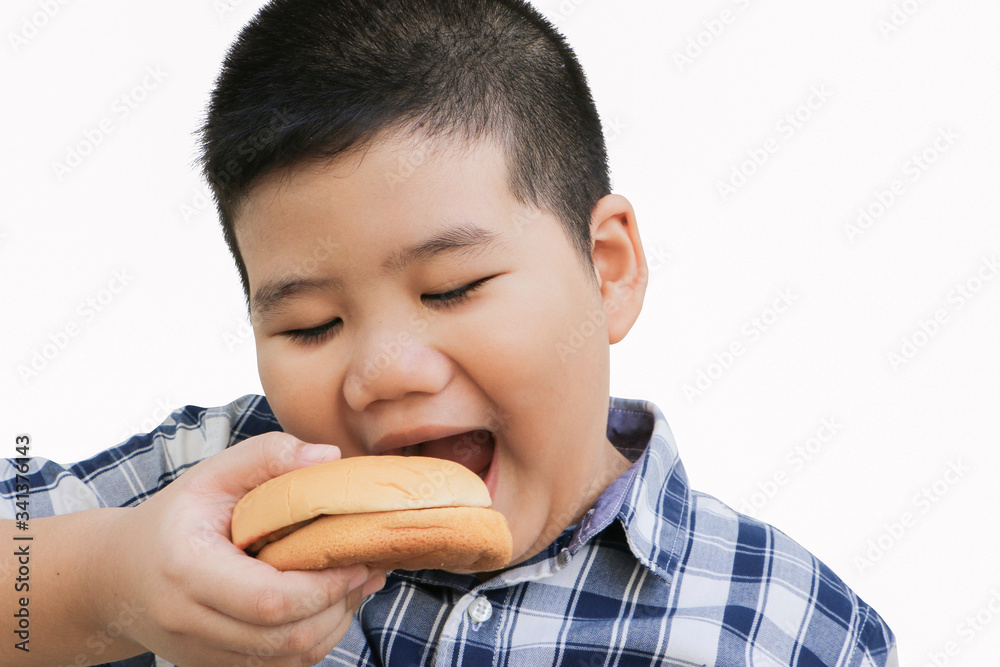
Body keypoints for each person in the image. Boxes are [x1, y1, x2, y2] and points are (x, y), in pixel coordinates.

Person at [0, 0, 897, 664]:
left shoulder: (784, 620)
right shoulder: (201, 483)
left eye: (454, 287)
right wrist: (111, 583)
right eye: (312, 325)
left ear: (609, 268)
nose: (384, 371)